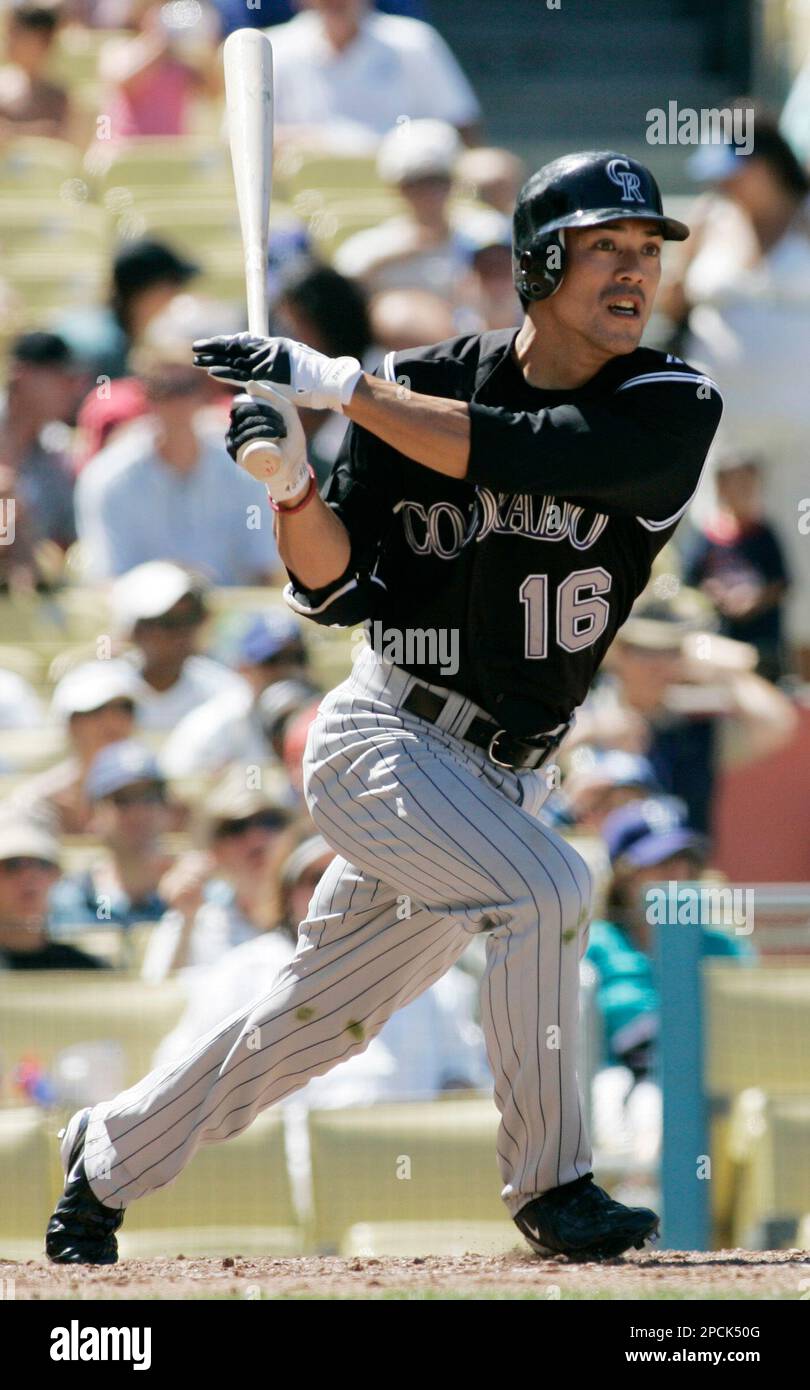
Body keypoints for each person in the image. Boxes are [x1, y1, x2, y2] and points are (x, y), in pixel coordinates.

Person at [48, 149, 723, 1264]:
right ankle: (552, 1185)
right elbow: (333, 583)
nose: (633, 272)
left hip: (506, 773)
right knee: (552, 884)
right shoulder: (425, 382)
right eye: (606, 247)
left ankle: (107, 1155)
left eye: (647, 251)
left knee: (317, 1019)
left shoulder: (666, 401)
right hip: (386, 739)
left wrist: (341, 387)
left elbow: (536, 455)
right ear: (541, 262)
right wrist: (290, 484)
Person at [586, 797, 754, 1167]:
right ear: (624, 876)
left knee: (659, 1105)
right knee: (610, 1094)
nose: (677, 878)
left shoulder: (724, 948)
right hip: (605, 1087)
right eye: (660, 865)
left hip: (702, 1092)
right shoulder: (592, 945)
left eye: (686, 863)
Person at [574, 590, 797, 834]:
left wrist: (729, 673)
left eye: (671, 651)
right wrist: (592, 731)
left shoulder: (693, 725)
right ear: (617, 653)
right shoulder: (581, 710)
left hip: (685, 868)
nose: (658, 665)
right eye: (643, 650)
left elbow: (776, 724)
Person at [74, 343, 281, 584]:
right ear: (146, 396)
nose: (178, 402)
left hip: (232, 616)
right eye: (165, 389)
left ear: (205, 393)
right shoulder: (107, 478)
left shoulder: (244, 468)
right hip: (149, 618)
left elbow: (264, 569)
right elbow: (108, 579)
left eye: (188, 388)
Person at [140, 765, 294, 982]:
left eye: (270, 822)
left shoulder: (318, 911)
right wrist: (186, 920)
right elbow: (157, 1001)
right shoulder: (193, 919)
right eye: (236, 828)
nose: (256, 840)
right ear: (214, 850)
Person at [267, 0, 481, 150]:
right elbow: (247, 136)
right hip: (302, 191)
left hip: (410, 190)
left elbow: (461, 124)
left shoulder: (414, 41)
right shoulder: (273, 48)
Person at [334, 118, 502, 299]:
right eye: (417, 183)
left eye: (439, 181)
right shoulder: (367, 249)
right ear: (397, 189)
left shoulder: (486, 232)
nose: (431, 193)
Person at [160, 611, 312, 778]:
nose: (288, 669)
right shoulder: (215, 723)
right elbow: (176, 780)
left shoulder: (320, 712)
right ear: (244, 668)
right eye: (272, 661)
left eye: (298, 658)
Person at [682, 452, 790, 684]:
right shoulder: (708, 536)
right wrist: (714, 593)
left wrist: (754, 601)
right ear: (721, 488)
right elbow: (689, 582)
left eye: (748, 485)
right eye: (736, 485)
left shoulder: (764, 535)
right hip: (720, 641)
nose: (743, 492)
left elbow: (781, 582)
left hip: (761, 641)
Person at [49, 741, 174, 939]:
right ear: (92, 814)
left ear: (168, 809)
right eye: (123, 799)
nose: (138, 811)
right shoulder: (71, 898)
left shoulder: (199, 894)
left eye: (150, 797)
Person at [11, 660, 143, 835]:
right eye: (96, 711)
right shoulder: (36, 801)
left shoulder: (159, 796)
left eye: (125, 709)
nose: (113, 722)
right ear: (70, 723)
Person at [109, 561, 244, 730]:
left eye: (192, 618)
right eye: (168, 622)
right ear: (136, 631)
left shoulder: (227, 692)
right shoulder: (94, 693)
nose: (182, 633)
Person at [55, 239, 200, 383]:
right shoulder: (103, 347)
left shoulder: (110, 329)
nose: (177, 294)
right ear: (148, 291)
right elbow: (100, 400)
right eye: (173, 284)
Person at [0, 333, 84, 559]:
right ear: (21, 375)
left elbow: (70, 539)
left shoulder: (59, 447)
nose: (74, 389)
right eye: (64, 379)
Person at [0, 815, 107, 970]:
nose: (29, 877)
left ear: (57, 875)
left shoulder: (86, 969)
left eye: (43, 864)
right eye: (13, 865)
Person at [0, 1, 70, 140]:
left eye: (17, 33)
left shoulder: (59, 96)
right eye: (10, 33)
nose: (10, 41)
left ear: (43, 41)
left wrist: (12, 132)